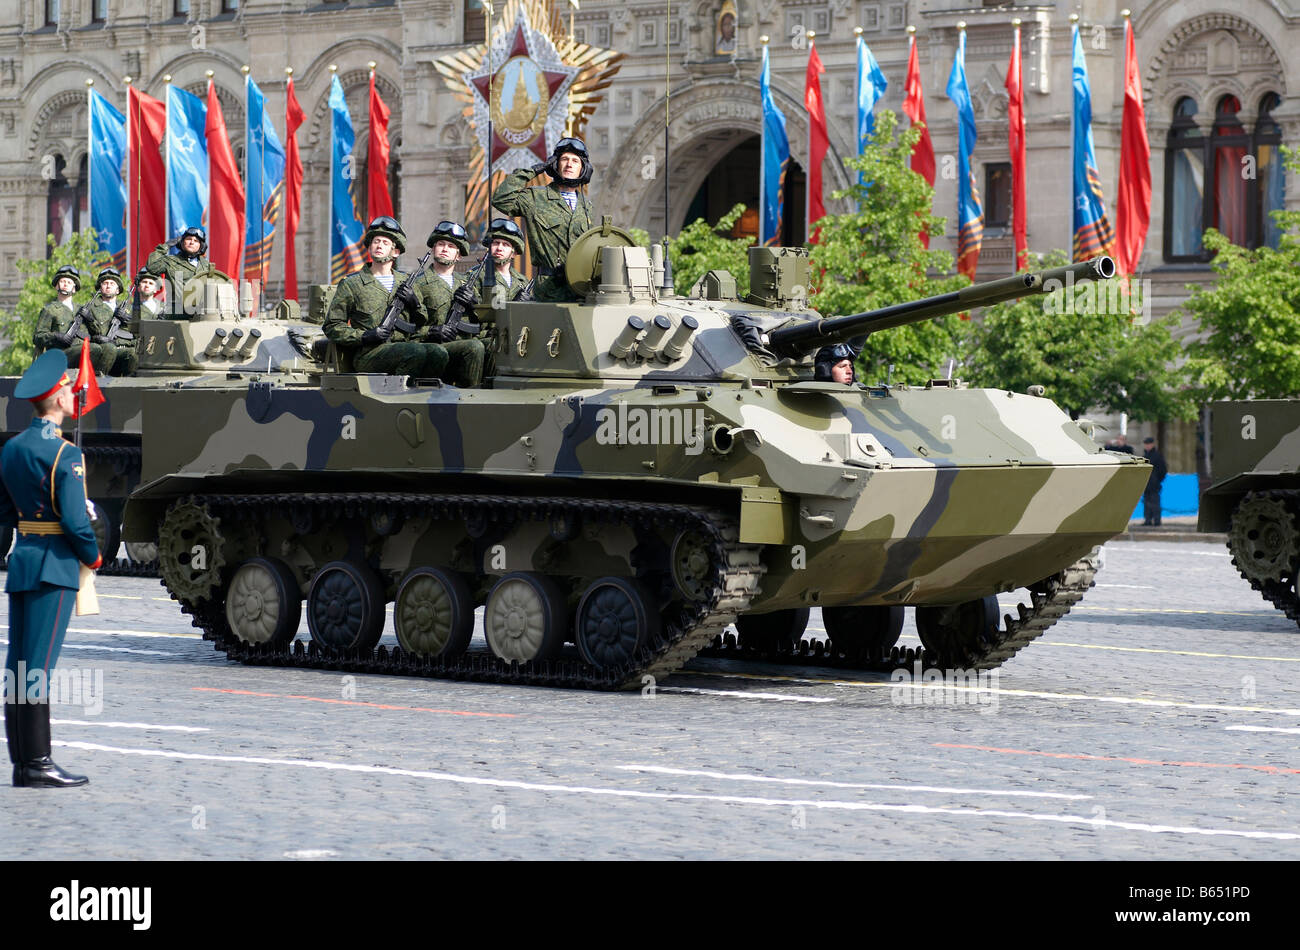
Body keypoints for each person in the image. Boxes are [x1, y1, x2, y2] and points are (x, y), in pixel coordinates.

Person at [1, 351, 103, 788]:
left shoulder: (12, 448)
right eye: (67, 389)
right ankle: (38, 763)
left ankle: (22, 761)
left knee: (18, 666)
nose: (72, 393)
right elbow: (76, 524)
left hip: (23, 561)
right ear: (56, 399)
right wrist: (95, 556)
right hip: (55, 566)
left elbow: (7, 511)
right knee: (38, 667)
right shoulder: (67, 453)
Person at [323, 216, 448, 380]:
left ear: (395, 252)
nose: (379, 246)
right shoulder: (352, 283)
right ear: (369, 247)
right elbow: (332, 326)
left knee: (439, 353)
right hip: (369, 354)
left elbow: (422, 321)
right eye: (376, 241)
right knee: (416, 352)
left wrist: (415, 303)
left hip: (406, 346)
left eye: (385, 243)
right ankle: (399, 396)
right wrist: (365, 336)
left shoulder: (406, 282)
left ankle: (425, 394)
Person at [492, 137, 594, 302]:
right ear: (554, 164)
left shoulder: (586, 206)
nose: (569, 164)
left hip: (580, 289)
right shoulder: (536, 197)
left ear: (583, 169)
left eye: (575, 161)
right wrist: (532, 171)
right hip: (549, 289)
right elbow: (501, 199)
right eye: (564, 159)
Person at [412, 220, 486, 388]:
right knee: (475, 347)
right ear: (433, 249)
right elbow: (406, 329)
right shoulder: (418, 283)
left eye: (451, 246)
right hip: (432, 349)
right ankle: (469, 397)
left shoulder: (468, 284)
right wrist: (431, 331)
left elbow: (483, 323)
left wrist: (474, 303)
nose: (445, 249)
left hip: (465, 352)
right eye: (441, 244)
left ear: (458, 255)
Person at [34, 265, 117, 376]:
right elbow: (38, 337)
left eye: (69, 282)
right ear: (56, 286)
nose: (65, 284)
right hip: (60, 354)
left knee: (109, 348)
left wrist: (90, 319)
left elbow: (97, 333)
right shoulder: (50, 310)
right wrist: (57, 336)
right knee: (94, 349)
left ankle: (99, 380)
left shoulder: (81, 309)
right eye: (62, 281)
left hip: (82, 351)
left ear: (74, 288)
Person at [146, 226, 231, 315]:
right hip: (176, 314)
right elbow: (151, 267)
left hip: (202, 314)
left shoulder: (206, 265)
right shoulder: (170, 261)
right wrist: (165, 246)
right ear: (182, 242)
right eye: (189, 239)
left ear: (201, 246)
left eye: (196, 241)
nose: (191, 242)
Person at [87, 268, 138, 377]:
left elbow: (139, 333)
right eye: (105, 283)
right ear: (100, 288)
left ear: (118, 290)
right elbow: (84, 333)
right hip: (102, 352)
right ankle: (99, 380)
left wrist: (128, 320)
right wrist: (97, 339)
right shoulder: (91, 307)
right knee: (110, 348)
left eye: (112, 283)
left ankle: (128, 385)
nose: (108, 286)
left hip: (122, 351)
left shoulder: (128, 309)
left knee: (133, 353)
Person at [1142, 436, 1168, 526]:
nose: (1147, 446)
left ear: (1152, 444)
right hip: (1145, 483)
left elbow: (1163, 470)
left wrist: (1157, 480)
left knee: (1155, 502)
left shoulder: (1157, 455)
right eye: (1146, 444)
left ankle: (1157, 520)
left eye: (1148, 444)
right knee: (1146, 502)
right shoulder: (1145, 456)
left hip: (1154, 484)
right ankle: (1147, 520)